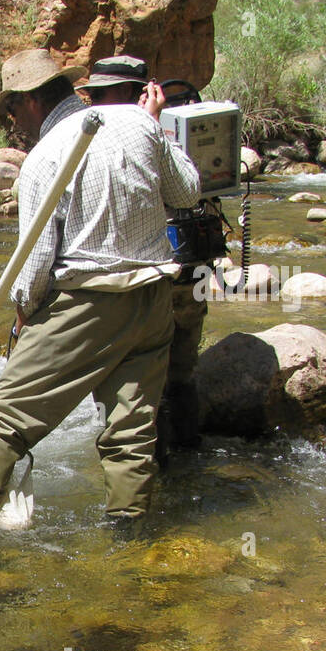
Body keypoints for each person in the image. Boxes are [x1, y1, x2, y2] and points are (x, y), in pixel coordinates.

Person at [0, 49, 201, 526]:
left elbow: (34, 260)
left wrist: (24, 312)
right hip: (152, 299)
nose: (14, 126)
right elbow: (189, 192)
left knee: (3, 422)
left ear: (29, 102)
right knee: (131, 434)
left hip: (86, 302)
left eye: (11, 111)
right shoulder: (143, 126)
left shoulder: (46, 156)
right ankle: (130, 544)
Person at [80, 55, 208, 459]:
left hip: (113, 287)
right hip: (160, 278)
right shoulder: (147, 132)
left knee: (131, 384)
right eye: (96, 96)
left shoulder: (78, 135)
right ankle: (174, 462)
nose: (99, 104)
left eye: (103, 95)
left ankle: (156, 458)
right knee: (175, 373)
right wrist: (154, 127)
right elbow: (188, 193)